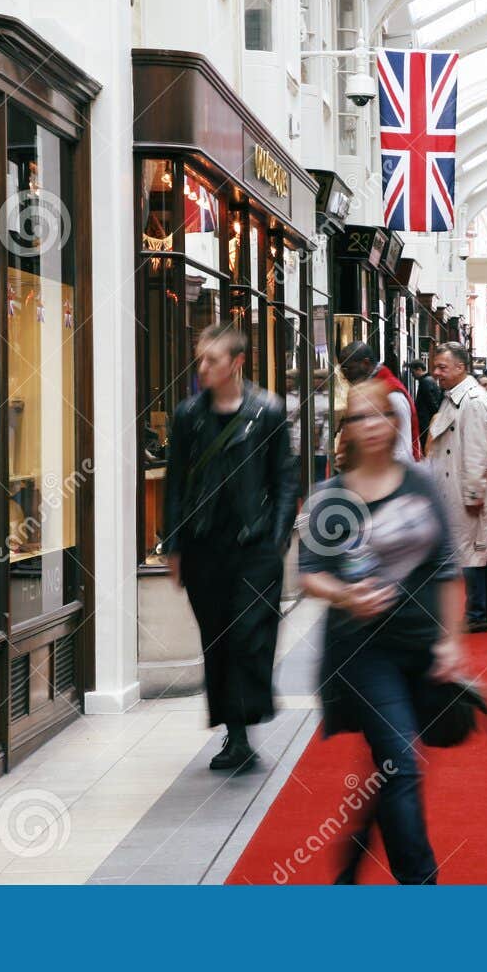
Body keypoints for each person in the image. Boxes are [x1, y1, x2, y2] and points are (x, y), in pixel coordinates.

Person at [298, 380, 467, 885]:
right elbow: (308, 573)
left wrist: (452, 640)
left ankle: (351, 862)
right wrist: (348, 596)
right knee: (403, 764)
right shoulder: (329, 496)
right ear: (345, 429)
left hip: (420, 644)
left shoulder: (420, 484)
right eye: (358, 418)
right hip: (361, 651)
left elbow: (447, 566)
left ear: (395, 423)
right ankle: (420, 884)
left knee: (394, 765)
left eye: (379, 415)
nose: (370, 426)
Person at [165, 324, 299, 772]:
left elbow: (284, 480)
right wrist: (174, 545)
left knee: (249, 635)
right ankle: (235, 735)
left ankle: (245, 718)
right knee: (218, 639)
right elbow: (176, 483)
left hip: (254, 544)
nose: (202, 367)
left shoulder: (268, 411)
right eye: (200, 358)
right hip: (205, 547)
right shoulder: (188, 415)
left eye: (212, 360)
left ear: (237, 363)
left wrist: (278, 538)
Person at [425, 342, 487, 632]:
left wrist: (473, 493)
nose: (436, 373)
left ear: (461, 368)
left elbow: (477, 451)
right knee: (480, 549)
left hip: (468, 484)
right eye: (435, 366)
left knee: (473, 550)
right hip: (460, 482)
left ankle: (476, 614)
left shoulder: (473, 401)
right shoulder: (457, 396)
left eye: (442, 367)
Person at [340, 342, 421, 462]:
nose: (345, 375)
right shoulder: (370, 389)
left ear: (365, 364)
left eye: (348, 368)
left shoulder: (392, 395)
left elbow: (401, 451)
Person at [408, 358, 443, 444]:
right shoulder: (428, 381)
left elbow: (432, 404)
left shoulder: (425, 382)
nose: (412, 375)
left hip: (426, 424)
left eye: (413, 372)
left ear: (419, 369)